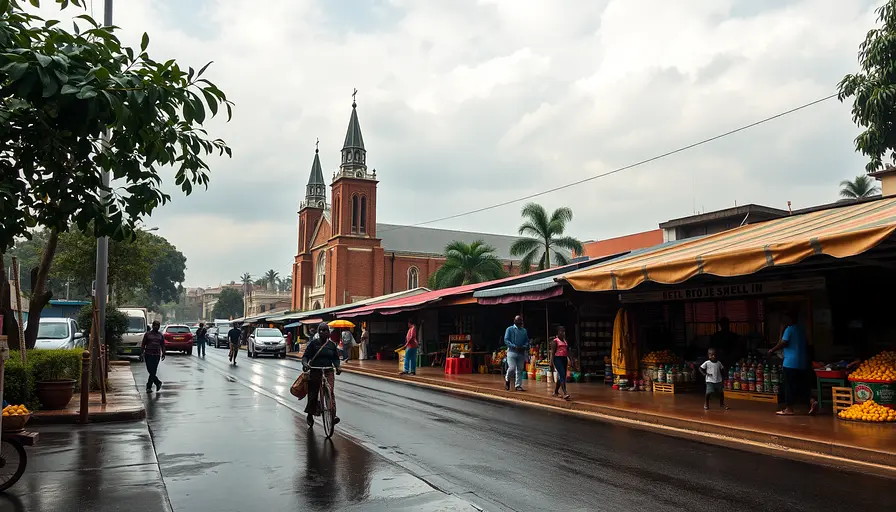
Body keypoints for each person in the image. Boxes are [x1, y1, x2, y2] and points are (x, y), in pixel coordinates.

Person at [768, 310, 818, 416]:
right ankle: (812, 401)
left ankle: (789, 409)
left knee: (789, 386)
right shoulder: (802, 329)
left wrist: (772, 350)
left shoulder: (789, 329)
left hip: (790, 363)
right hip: (802, 362)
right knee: (803, 385)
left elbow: (783, 342)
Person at [302, 322, 342, 428]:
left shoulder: (331, 345)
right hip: (315, 371)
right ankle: (310, 414)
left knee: (330, 392)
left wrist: (338, 367)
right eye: (321, 330)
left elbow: (335, 359)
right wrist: (305, 364)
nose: (323, 332)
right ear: (318, 332)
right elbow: (305, 357)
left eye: (325, 330)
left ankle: (332, 415)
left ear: (328, 332)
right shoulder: (313, 344)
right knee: (313, 394)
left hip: (328, 371)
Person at [504, 315, 530, 391]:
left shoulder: (524, 331)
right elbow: (506, 340)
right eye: (518, 320)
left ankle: (518, 385)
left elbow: (527, 341)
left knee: (520, 369)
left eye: (521, 321)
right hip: (512, 352)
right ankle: (507, 379)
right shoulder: (509, 329)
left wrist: (524, 346)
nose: (520, 322)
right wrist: (514, 346)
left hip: (521, 352)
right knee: (512, 368)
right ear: (514, 321)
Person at [141, 320, 165, 393]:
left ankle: (149, 387)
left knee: (153, 371)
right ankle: (158, 382)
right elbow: (143, 344)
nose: (156, 327)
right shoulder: (147, 334)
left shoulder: (160, 335)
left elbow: (163, 345)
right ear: (152, 326)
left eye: (158, 325)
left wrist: (164, 353)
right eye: (155, 325)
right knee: (150, 370)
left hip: (156, 355)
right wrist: (141, 353)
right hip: (148, 354)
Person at [550, 326, 571, 400]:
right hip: (557, 359)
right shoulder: (555, 341)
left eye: (564, 331)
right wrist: (551, 362)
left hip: (564, 358)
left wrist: (570, 359)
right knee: (562, 374)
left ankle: (555, 392)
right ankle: (565, 393)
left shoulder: (565, 341)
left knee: (562, 375)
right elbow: (552, 353)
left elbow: (567, 351)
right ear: (558, 333)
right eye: (561, 331)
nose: (563, 333)